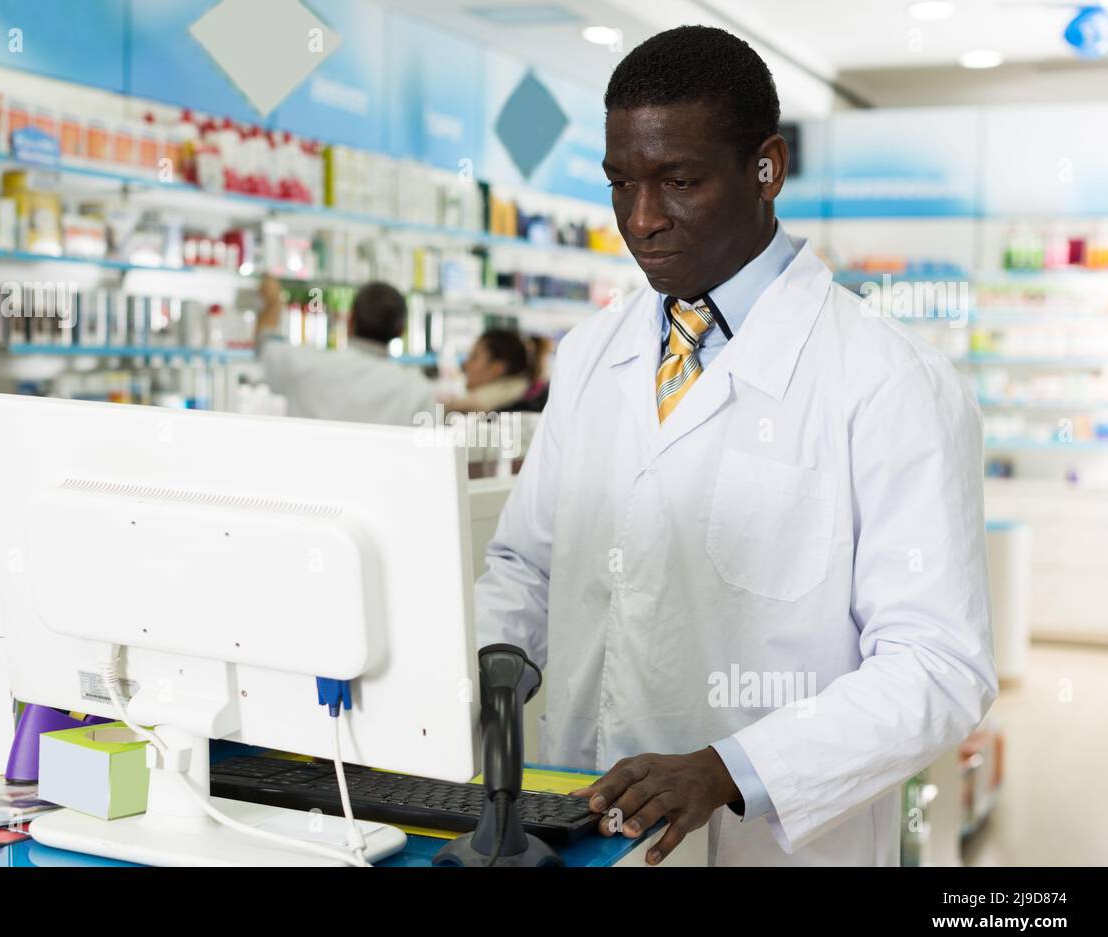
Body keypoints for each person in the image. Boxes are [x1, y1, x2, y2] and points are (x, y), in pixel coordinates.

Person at [473, 25, 996, 867]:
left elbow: (938, 668)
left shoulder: (888, 380)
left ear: (767, 169)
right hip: (578, 825)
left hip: (768, 848)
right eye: (621, 185)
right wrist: (494, 670)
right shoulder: (590, 356)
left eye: (679, 181)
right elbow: (528, 566)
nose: (641, 220)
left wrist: (730, 769)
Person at [254, 277, 436, 426]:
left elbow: (265, 342)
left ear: (349, 321)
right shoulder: (416, 390)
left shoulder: (304, 365)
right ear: (401, 331)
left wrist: (273, 301)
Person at [455, 329, 532, 412]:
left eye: (474, 357)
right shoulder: (521, 394)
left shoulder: (476, 406)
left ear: (497, 369)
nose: (465, 365)